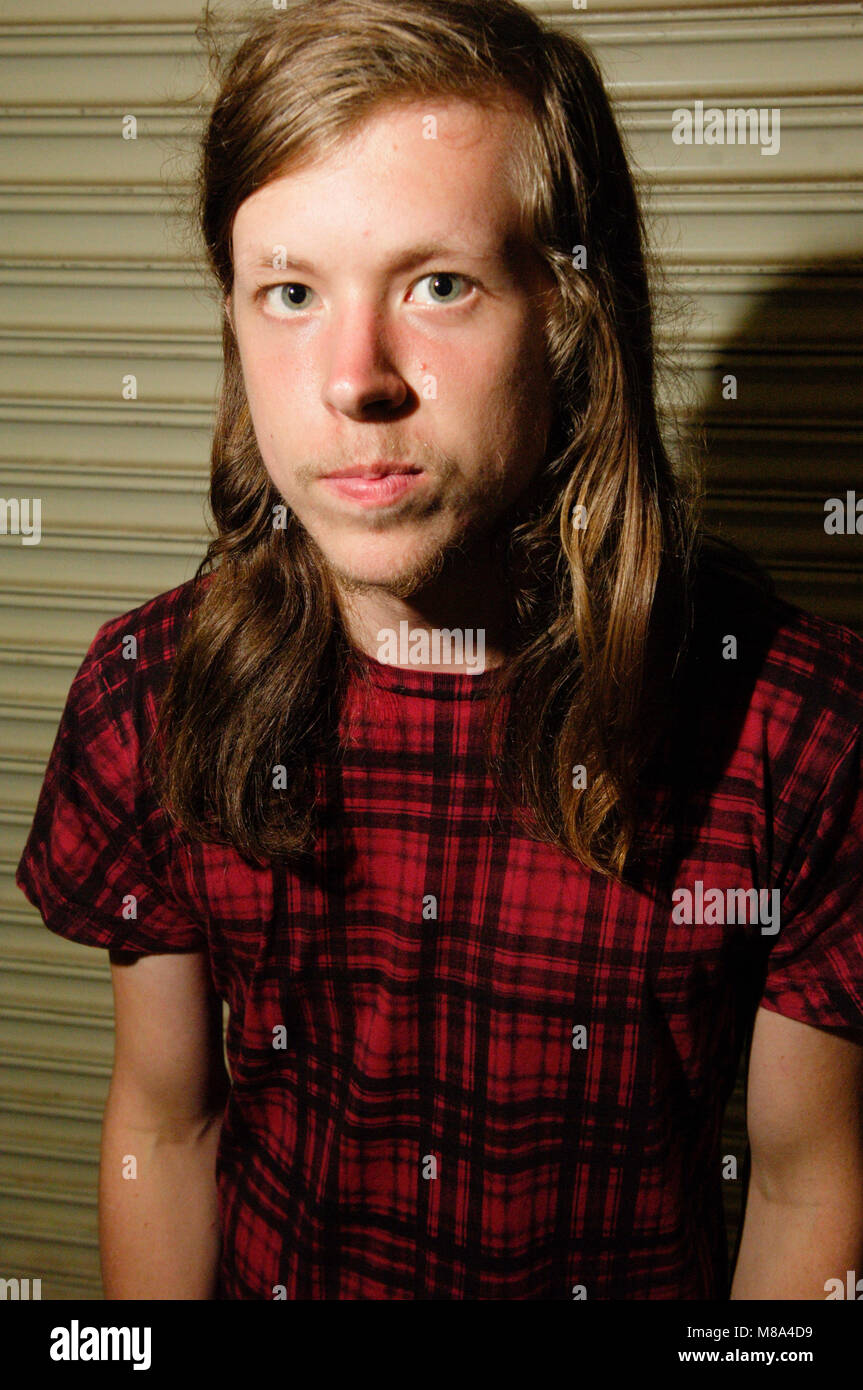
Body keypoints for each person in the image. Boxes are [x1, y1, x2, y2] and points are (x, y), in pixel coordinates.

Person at [16, 0, 863, 1301]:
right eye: (290, 292)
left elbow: (808, 1185)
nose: (354, 376)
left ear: (569, 322)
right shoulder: (149, 694)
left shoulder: (793, 724)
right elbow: (164, 1124)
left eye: (438, 284)